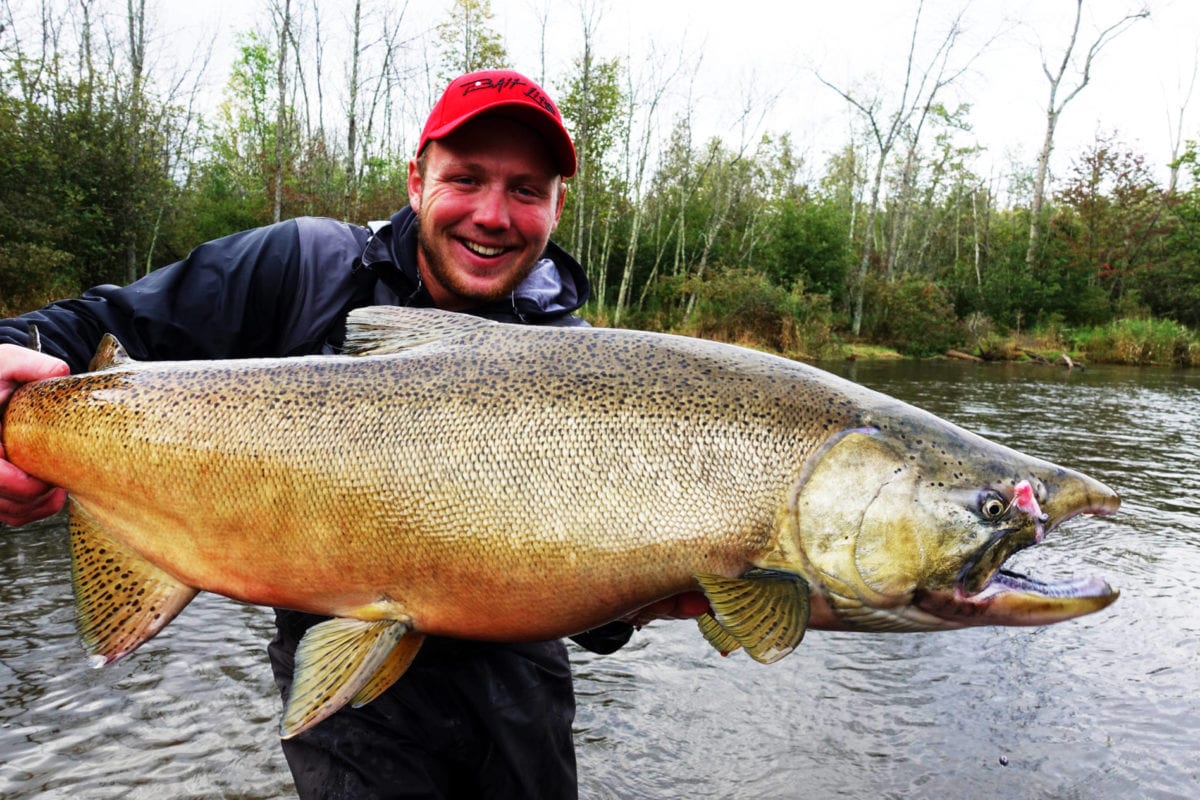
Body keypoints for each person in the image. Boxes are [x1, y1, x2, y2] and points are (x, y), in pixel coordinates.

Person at [0, 69, 707, 799]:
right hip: (340, 661)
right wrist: (10, 364)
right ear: (415, 180)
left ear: (557, 206)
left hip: (517, 684)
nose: (493, 214)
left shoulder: (582, 362)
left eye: (526, 189)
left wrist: (632, 601)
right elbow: (105, 324)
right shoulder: (307, 266)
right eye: (465, 178)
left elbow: (590, 606)